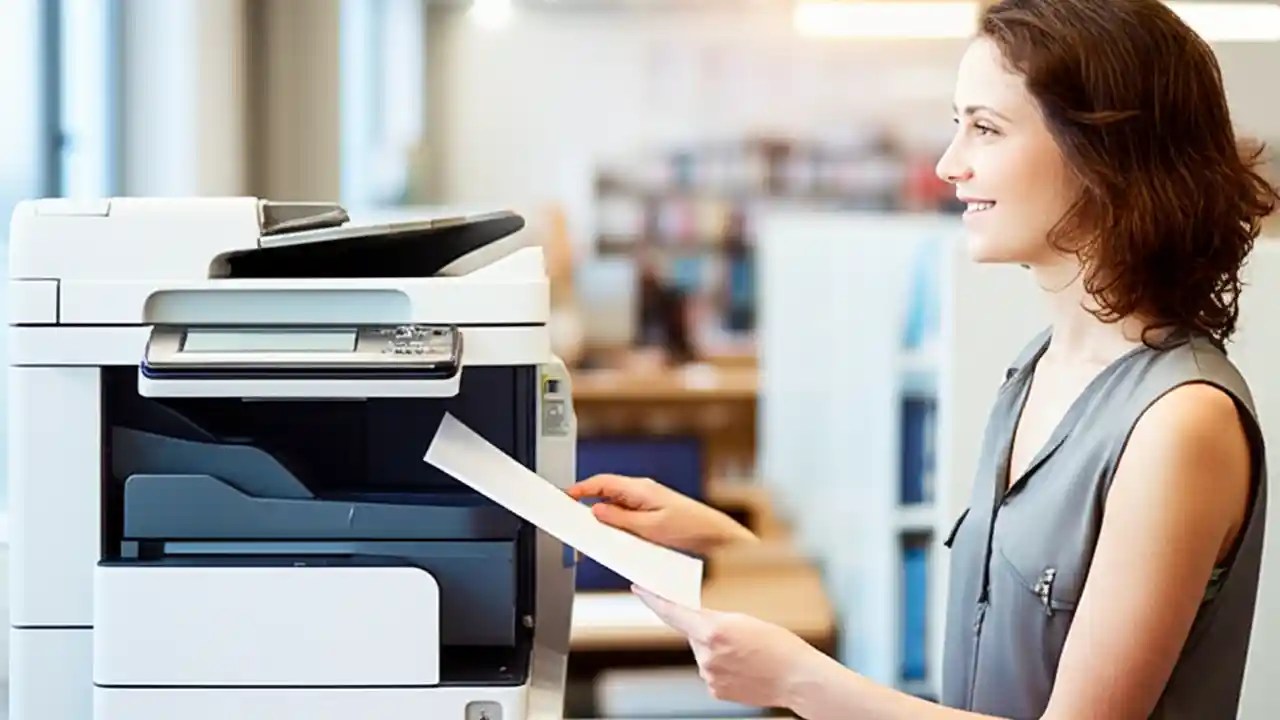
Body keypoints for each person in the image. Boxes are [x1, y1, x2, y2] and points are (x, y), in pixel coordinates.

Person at [565, 0, 1280, 717]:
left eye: (987, 129)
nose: (949, 165)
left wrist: (799, 682)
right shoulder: (1036, 372)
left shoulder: (1180, 425)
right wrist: (719, 540)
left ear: (1104, 156)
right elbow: (999, 637)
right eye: (957, 125)